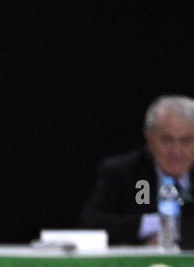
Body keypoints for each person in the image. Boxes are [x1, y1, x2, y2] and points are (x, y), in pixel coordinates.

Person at [79, 95, 194, 248]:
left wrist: (171, 236)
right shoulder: (123, 172)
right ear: (149, 138)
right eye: (167, 140)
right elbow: (90, 224)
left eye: (186, 141)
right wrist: (151, 224)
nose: (176, 152)